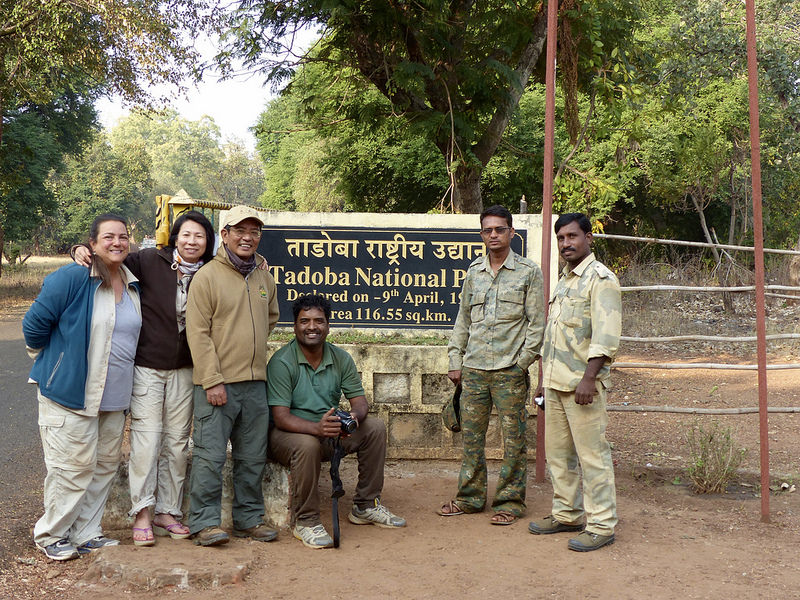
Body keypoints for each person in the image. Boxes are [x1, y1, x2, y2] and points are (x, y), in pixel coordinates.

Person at [73, 210, 215, 545]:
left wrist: (263, 260)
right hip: (147, 367)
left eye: (200, 236)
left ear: (208, 242)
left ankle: (168, 511)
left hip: (186, 369)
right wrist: (80, 248)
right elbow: (112, 254)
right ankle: (142, 512)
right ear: (175, 237)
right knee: (146, 441)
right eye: (186, 235)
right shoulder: (150, 261)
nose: (192, 241)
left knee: (178, 444)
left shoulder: (211, 272)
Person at [23, 214, 142, 560]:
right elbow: (34, 327)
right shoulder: (73, 277)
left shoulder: (133, 283)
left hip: (114, 398)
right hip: (70, 394)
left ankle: (87, 531)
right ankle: (51, 534)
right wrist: (56, 361)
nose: (117, 242)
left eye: (123, 236)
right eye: (108, 237)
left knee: (103, 467)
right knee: (71, 469)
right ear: (92, 244)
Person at [268, 295, 406, 549]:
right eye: (304, 321)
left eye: (319, 321)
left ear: (328, 325)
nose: (312, 327)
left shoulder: (340, 358)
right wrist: (316, 428)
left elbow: (360, 402)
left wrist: (352, 418)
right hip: (288, 435)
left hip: (328, 431)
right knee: (307, 445)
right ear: (295, 325)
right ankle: (306, 520)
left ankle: (365, 505)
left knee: (374, 428)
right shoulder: (282, 362)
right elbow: (281, 417)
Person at [438, 205, 545, 525]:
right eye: (488, 230)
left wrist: (521, 364)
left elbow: (537, 324)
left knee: (514, 441)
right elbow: (463, 320)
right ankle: (470, 498)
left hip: (509, 371)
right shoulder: (474, 272)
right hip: (473, 370)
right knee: (471, 439)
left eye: (500, 229)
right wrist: (455, 359)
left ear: (512, 233)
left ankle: (510, 501)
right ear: (482, 234)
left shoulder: (528, 272)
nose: (494, 235)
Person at [186, 204, 279, 546]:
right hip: (217, 385)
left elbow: (271, 317)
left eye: (254, 232)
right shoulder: (207, 277)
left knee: (252, 455)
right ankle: (204, 522)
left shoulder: (263, 276)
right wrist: (212, 379)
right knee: (210, 456)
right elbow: (198, 333)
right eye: (240, 230)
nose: (247, 237)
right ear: (224, 235)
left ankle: (249, 519)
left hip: (255, 384)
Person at [527, 212, 621, 552]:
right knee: (558, 456)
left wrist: (589, 378)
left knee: (593, 457)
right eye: (561, 238)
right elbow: (554, 339)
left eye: (572, 236)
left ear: (588, 238)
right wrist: (543, 380)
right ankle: (567, 513)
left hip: (584, 387)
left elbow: (606, 336)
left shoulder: (601, 280)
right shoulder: (566, 280)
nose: (566, 243)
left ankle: (601, 525)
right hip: (556, 383)